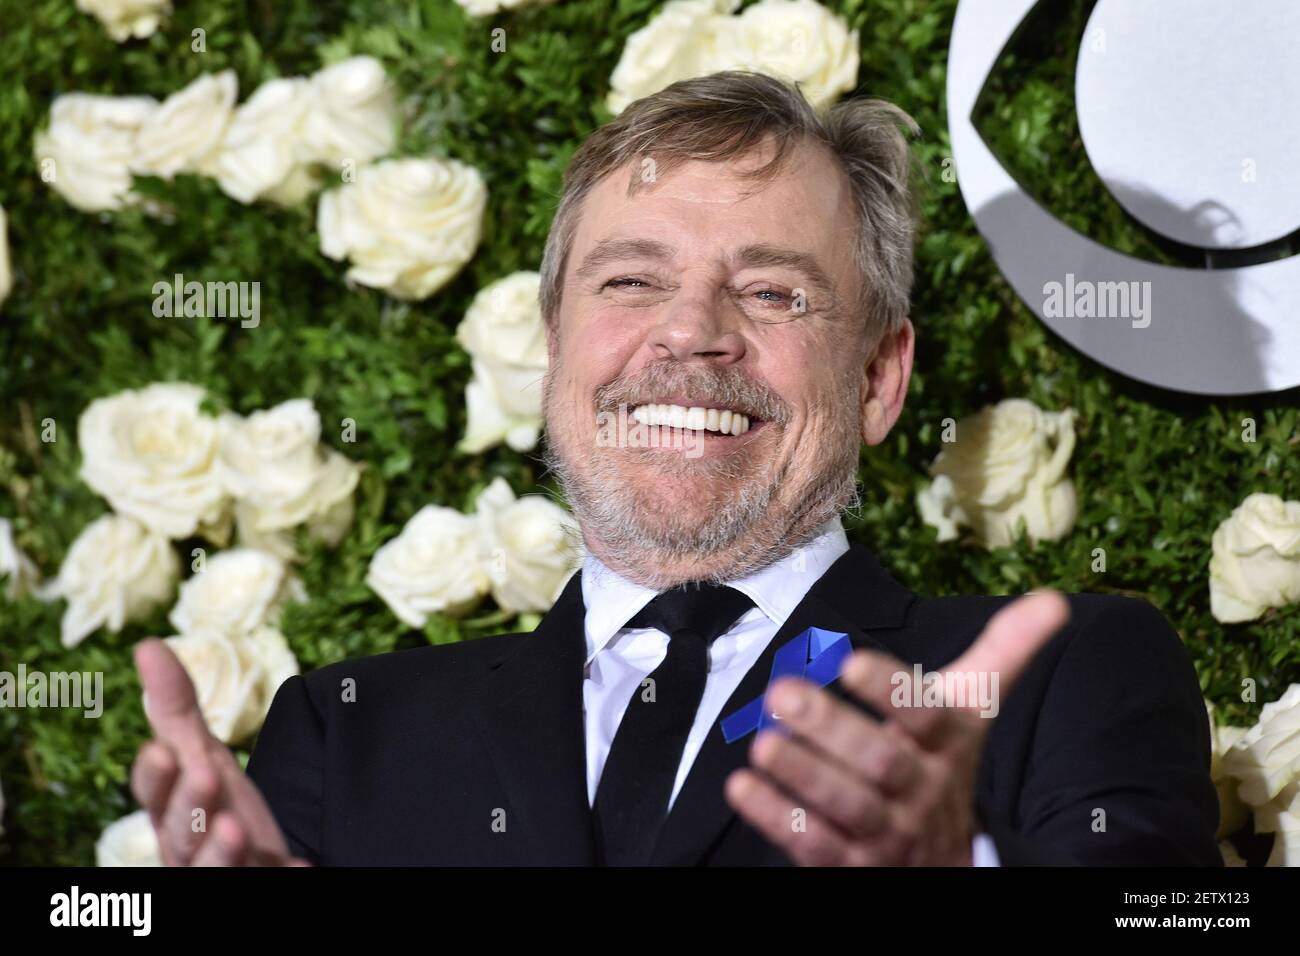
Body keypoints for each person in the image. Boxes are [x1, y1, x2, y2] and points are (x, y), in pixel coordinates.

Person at [130, 70, 1220, 867]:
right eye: (632, 282)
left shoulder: (1061, 675)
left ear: (881, 380)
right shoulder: (348, 723)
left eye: (773, 290)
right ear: (555, 357)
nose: (690, 334)